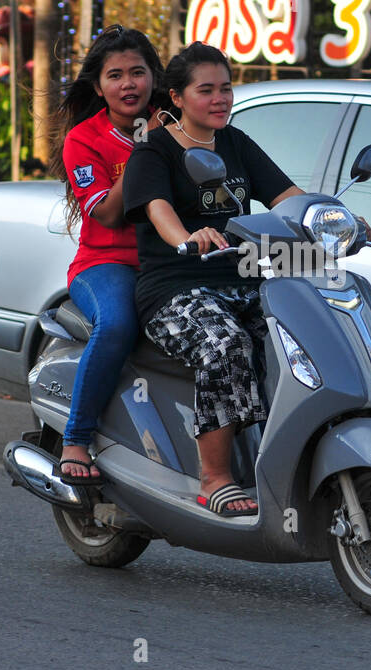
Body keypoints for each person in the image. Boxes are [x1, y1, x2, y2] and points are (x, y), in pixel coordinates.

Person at [122, 44, 330, 517]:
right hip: (174, 289)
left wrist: (335, 220)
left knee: (306, 336)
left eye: (226, 88)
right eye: (206, 90)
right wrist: (188, 237)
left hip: (243, 281)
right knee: (225, 344)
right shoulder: (153, 152)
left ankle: (282, 459)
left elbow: (289, 198)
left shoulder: (236, 143)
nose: (221, 99)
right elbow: (158, 209)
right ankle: (214, 476)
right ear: (176, 96)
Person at [48, 26, 168, 485]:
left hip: (167, 263)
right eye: (115, 75)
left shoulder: (175, 123)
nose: (128, 84)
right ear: (98, 87)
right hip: (106, 264)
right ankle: (76, 437)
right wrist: (147, 148)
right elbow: (111, 216)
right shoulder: (84, 138)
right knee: (117, 324)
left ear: (153, 78)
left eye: (138, 72)